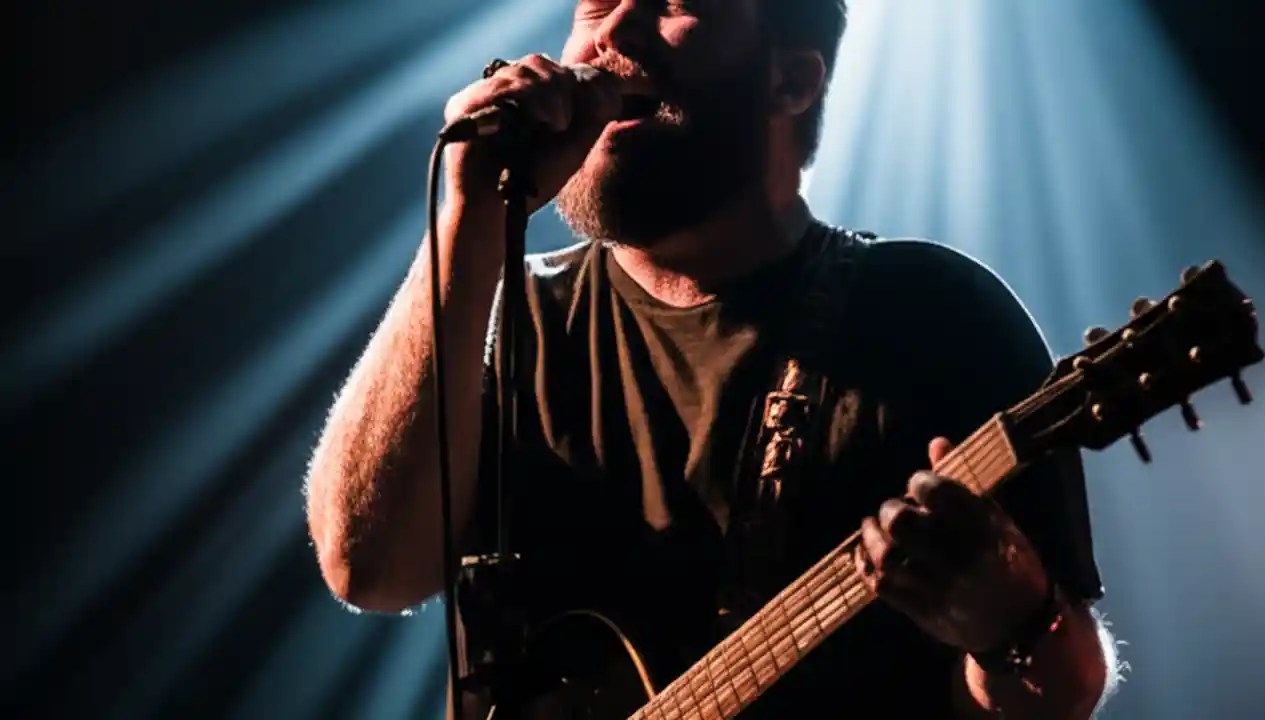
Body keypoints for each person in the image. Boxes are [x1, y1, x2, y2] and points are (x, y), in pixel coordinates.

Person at [305, 1, 1117, 717]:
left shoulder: (934, 316)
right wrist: (470, 217)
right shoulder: (505, 316)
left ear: (791, 82)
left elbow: (1067, 688)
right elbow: (367, 569)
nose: (612, 31)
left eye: (674, 1)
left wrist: (1013, 620)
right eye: (594, 3)